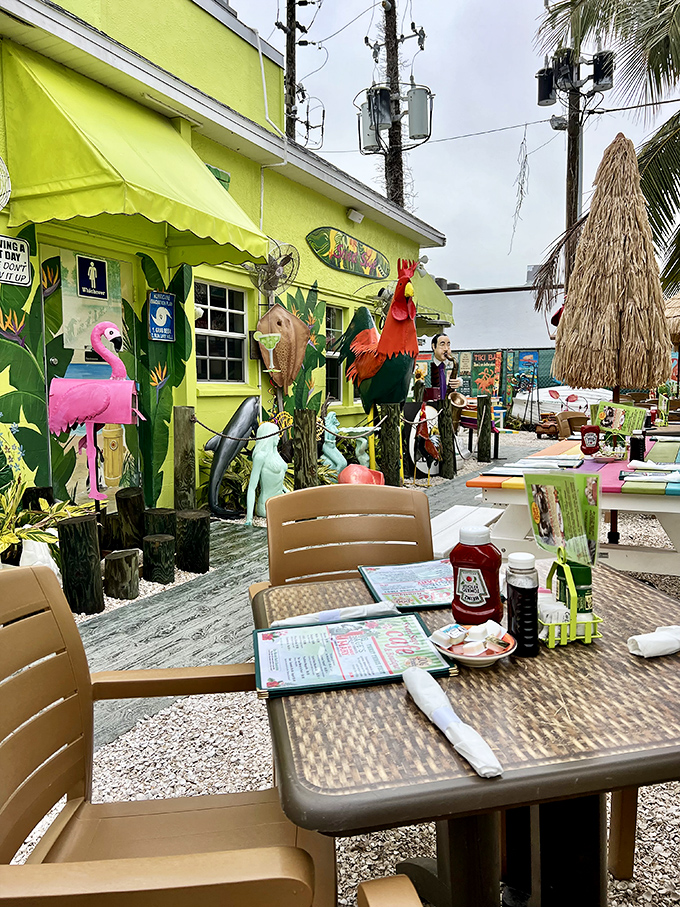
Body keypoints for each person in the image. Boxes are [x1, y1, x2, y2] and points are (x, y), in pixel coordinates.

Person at [245, 422, 288, 525]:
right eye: (276, 435)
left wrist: (289, 492)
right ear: (269, 436)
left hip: (282, 501)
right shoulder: (260, 457)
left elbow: (277, 480)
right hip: (267, 506)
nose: (278, 438)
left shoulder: (275, 454)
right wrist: (249, 519)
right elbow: (252, 488)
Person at [423, 333, 462, 401]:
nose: (446, 349)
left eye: (448, 345)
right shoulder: (425, 364)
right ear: (434, 346)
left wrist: (459, 382)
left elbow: (459, 379)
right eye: (442, 344)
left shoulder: (453, 364)